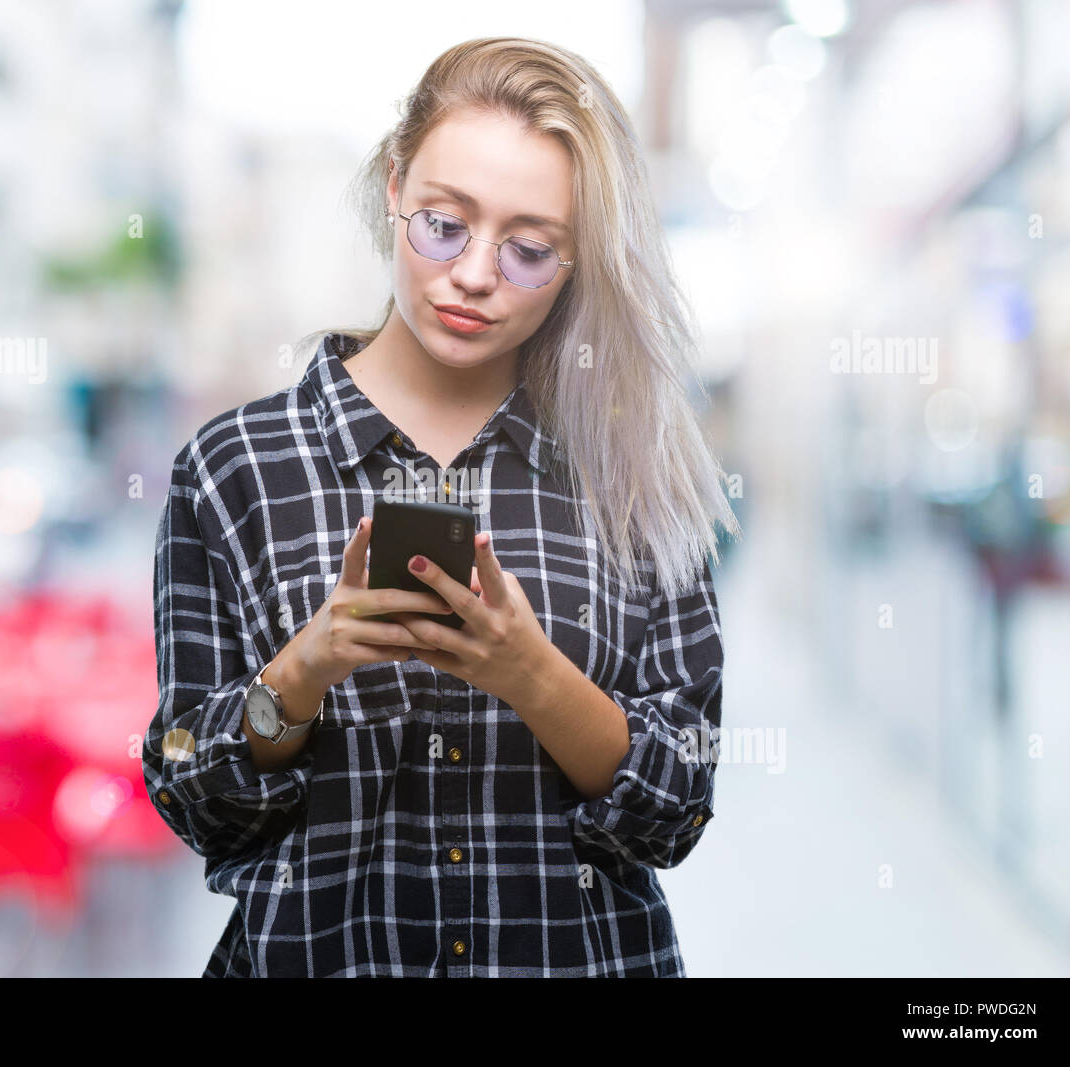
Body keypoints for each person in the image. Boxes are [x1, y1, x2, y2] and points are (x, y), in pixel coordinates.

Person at [143, 36, 740, 977]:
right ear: (392, 185)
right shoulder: (234, 470)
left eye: (531, 248)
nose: (473, 273)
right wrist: (305, 668)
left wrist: (531, 673)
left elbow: (677, 806)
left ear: (580, 260)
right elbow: (192, 792)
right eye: (443, 224)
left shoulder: (631, 474)